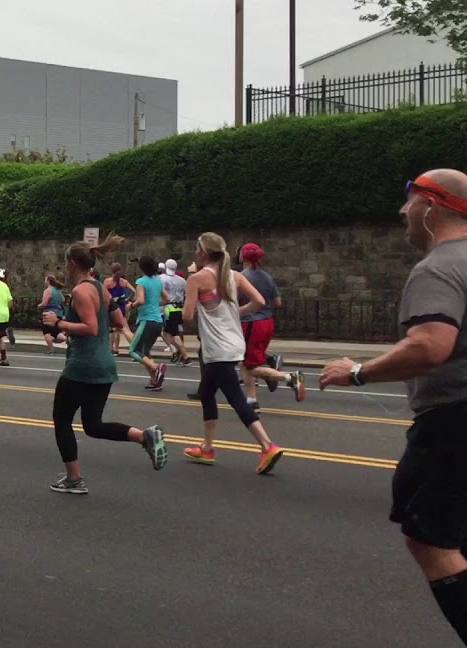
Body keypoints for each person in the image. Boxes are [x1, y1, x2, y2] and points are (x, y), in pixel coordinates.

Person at [319, 169, 467, 644]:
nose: (402, 213)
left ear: (431, 207)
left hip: (453, 422)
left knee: (429, 536)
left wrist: (357, 372)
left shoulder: (439, 268)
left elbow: (429, 345)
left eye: (409, 202)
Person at [41, 236, 167, 494]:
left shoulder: (80, 290)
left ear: (73, 263)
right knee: (93, 426)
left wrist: (58, 322)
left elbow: (91, 327)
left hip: (82, 367)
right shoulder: (100, 287)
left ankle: (74, 479)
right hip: (104, 366)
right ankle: (145, 436)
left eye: (66, 262)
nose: (65, 266)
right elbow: (119, 319)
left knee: (61, 421)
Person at [181, 232, 285, 474]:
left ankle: (267, 445)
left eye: (197, 249)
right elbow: (260, 301)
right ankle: (207, 448)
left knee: (236, 398)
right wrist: (233, 313)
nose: (195, 252)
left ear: (203, 253)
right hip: (233, 343)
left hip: (217, 348)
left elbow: (187, 316)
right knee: (206, 392)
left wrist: (197, 299)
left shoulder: (197, 279)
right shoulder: (234, 276)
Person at [237, 243, 306, 408]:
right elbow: (278, 302)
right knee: (245, 361)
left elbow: (234, 300)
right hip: (267, 322)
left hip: (251, 323)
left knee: (249, 366)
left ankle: (289, 377)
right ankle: (252, 400)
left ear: (244, 256)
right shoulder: (267, 276)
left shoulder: (241, 277)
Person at [130, 256, 168, 390]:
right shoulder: (157, 281)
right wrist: (155, 304)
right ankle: (155, 381)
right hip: (158, 321)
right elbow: (167, 298)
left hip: (147, 320)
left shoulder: (141, 281)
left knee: (133, 351)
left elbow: (140, 300)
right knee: (145, 352)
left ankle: (157, 368)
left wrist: (131, 306)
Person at [161, 259, 191, 365]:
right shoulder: (182, 280)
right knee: (166, 332)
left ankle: (184, 355)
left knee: (172, 334)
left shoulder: (162, 279)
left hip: (169, 308)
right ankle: (176, 352)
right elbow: (186, 294)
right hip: (178, 308)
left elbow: (162, 295)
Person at [37, 275, 66, 354]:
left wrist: (39, 306)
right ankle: (65, 339)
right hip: (58, 313)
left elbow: (44, 303)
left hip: (49, 313)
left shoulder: (48, 290)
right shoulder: (58, 290)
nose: (44, 282)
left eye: (45, 280)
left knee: (46, 332)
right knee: (57, 331)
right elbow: (63, 300)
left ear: (48, 281)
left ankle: (51, 350)